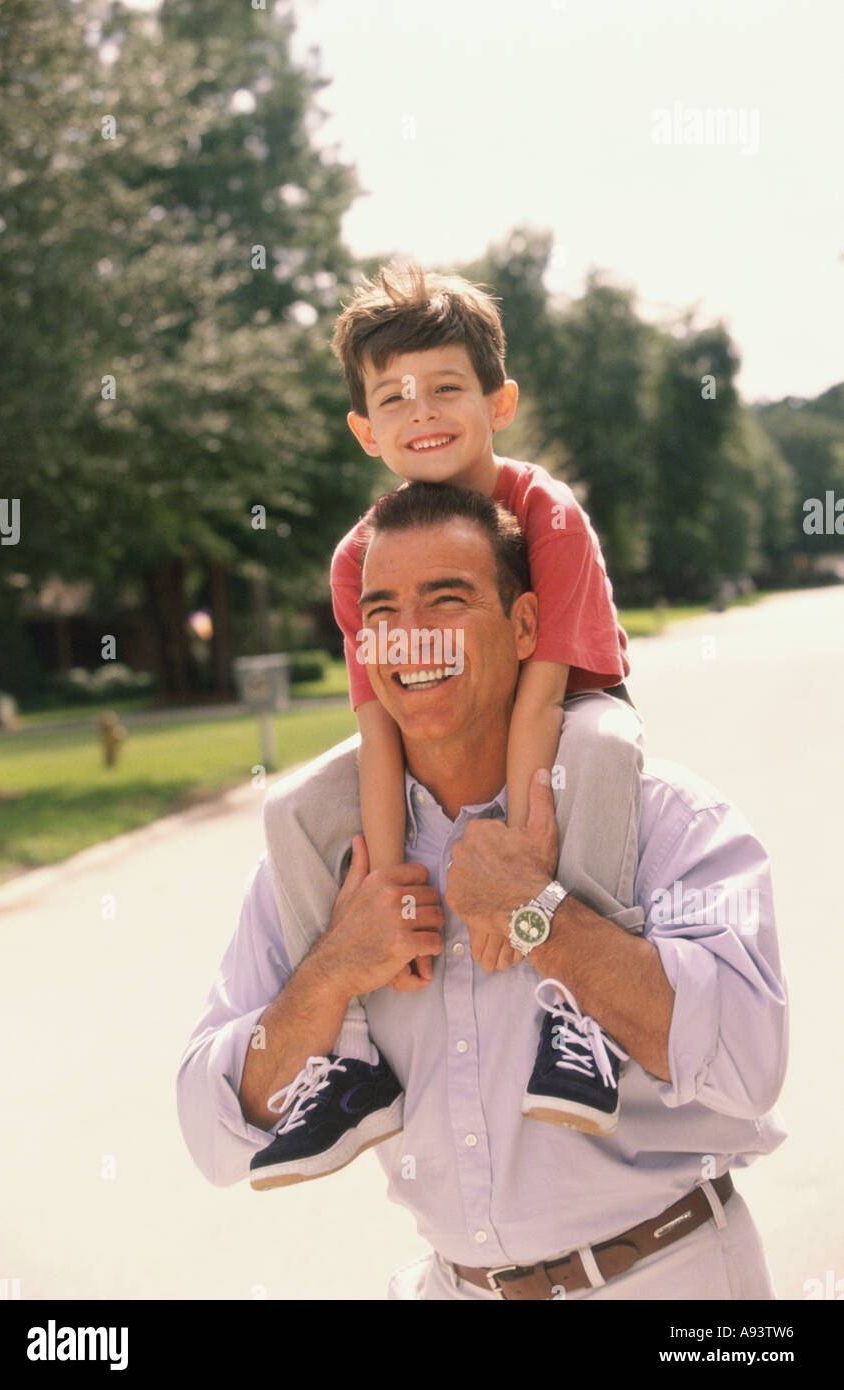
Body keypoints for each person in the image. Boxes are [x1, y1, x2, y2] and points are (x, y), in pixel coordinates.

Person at [176, 484, 787, 1301]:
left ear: (527, 625)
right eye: (384, 609)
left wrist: (542, 913)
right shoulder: (328, 867)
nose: (411, 634)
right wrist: (329, 974)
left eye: (448, 599)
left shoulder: (662, 818)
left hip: (673, 1279)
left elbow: (750, 1060)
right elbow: (213, 1132)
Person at [254, 263, 646, 1180]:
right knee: (293, 807)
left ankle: (578, 1016)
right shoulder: (361, 556)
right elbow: (381, 730)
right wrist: (388, 895)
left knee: (600, 747)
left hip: (563, 707)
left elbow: (543, 695)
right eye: (391, 396)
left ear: (497, 401)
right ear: (364, 431)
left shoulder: (545, 513)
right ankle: (350, 1063)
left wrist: (514, 865)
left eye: (444, 388)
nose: (419, 411)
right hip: (438, 720)